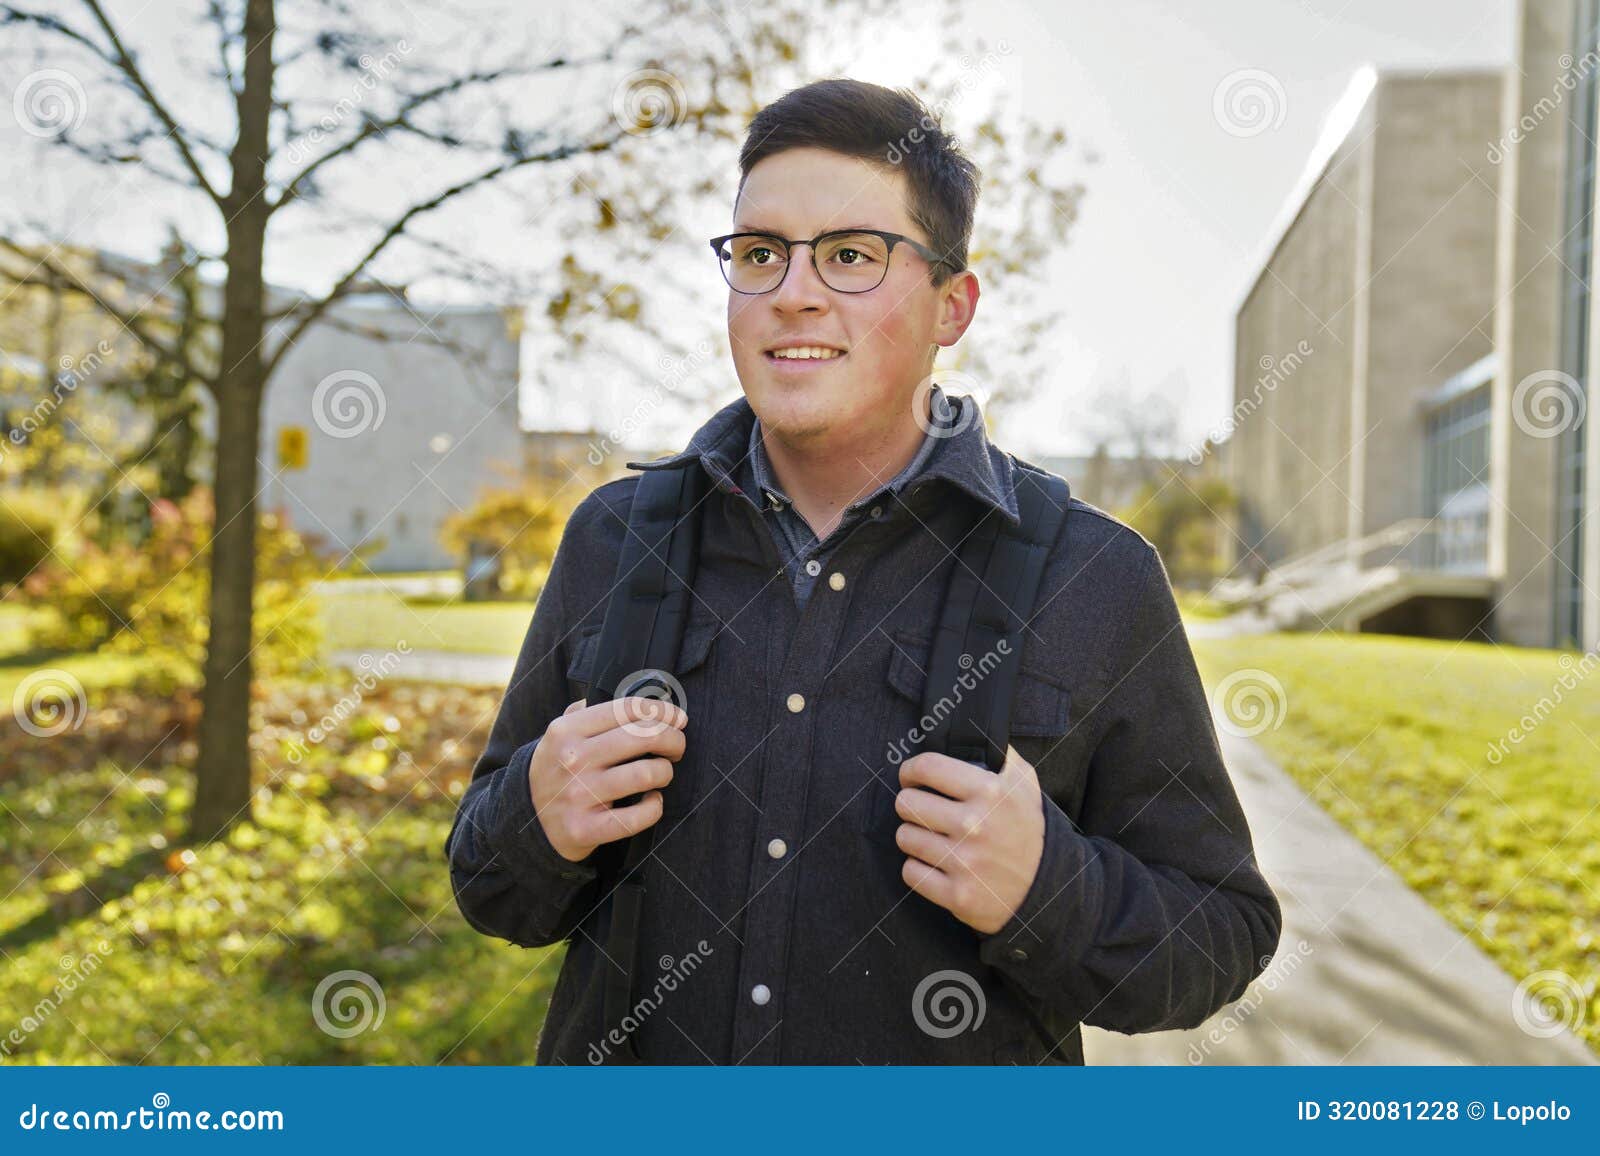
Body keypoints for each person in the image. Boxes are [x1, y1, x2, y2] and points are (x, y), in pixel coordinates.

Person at [445, 77, 1281, 1064]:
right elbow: (491, 886)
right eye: (759, 254)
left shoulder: (1094, 576)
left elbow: (1218, 935)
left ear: (950, 307)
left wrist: (1048, 886)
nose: (792, 291)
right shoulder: (611, 539)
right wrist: (533, 816)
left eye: (849, 254)